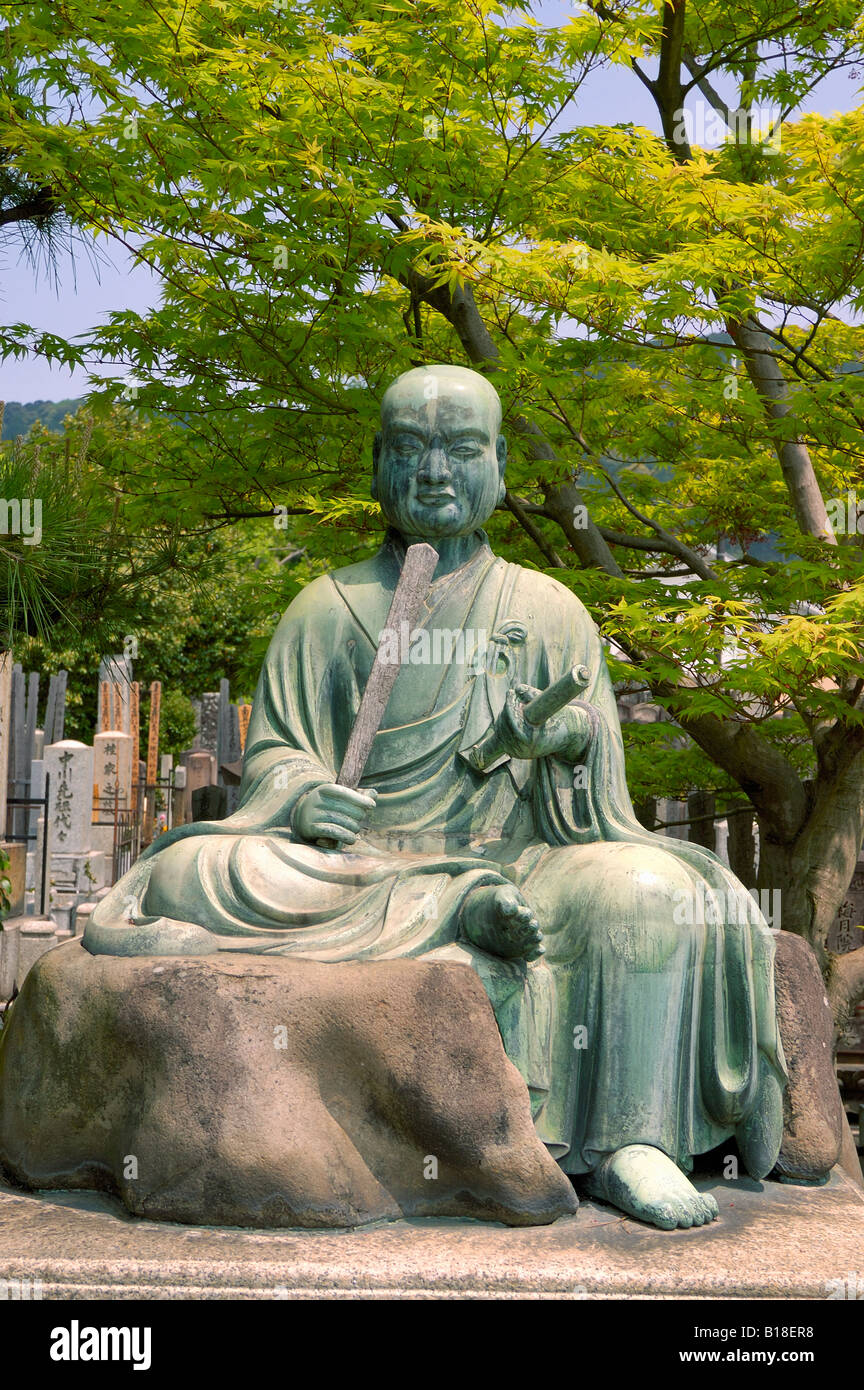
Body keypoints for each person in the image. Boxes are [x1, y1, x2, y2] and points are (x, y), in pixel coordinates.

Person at [84, 364, 785, 1230]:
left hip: (524, 858)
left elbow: (600, 791)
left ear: (497, 464)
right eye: (411, 450)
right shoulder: (326, 608)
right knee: (192, 867)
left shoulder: (549, 607)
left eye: (459, 450)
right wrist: (303, 800)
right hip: (360, 870)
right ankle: (462, 910)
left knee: (651, 892)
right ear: (378, 463)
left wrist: (562, 739)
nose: (434, 471)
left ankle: (626, 1141)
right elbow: (274, 757)